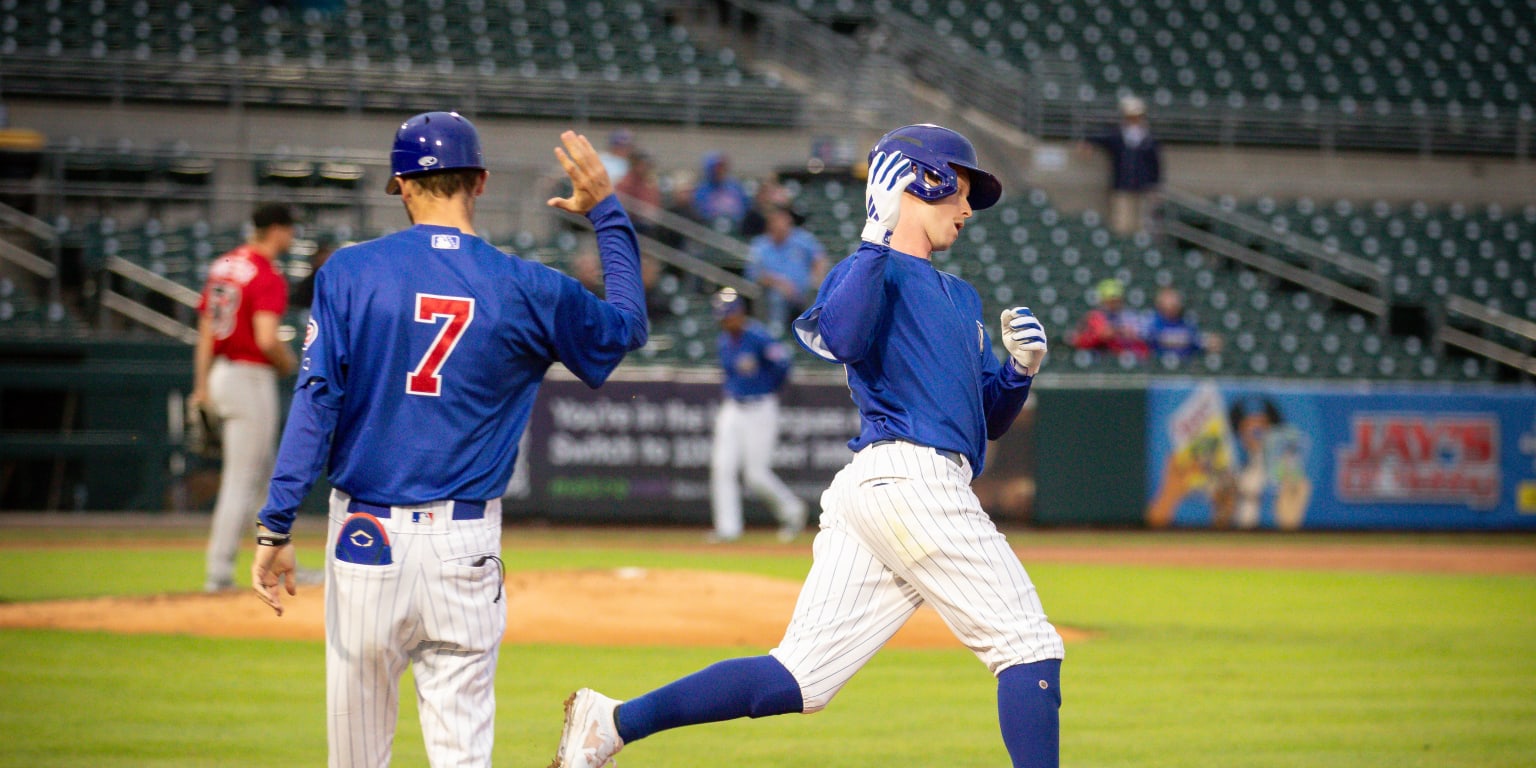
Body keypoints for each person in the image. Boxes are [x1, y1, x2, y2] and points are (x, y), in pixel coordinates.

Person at [547, 124, 1064, 768]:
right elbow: (843, 337)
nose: (966, 209)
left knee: (801, 677)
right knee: (1027, 645)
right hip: (911, 478)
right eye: (957, 190)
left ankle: (613, 724)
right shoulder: (864, 270)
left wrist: (1018, 371)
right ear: (914, 181)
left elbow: (986, 417)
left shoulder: (961, 296)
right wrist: (876, 237)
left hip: (892, 488)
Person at [249, 112, 648, 767]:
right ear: (481, 182)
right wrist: (605, 211)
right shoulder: (529, 287)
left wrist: (275, 525)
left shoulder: (348, 273)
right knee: (463, 757)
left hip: (364, 538)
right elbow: (628, 326)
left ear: (403, 185)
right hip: (465, 546)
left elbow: (316, 401)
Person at [190, 202, 298, 593]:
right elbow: (267, 338)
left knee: (262, 479)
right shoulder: (266, 272)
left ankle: (278, 565)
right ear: (276, 230)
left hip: (221, 372)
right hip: (249, 376)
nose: (291, 236)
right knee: (244, 480)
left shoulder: (224, 265)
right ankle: (218, 573)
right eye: (289, 229)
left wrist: (201, 386)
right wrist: (290, 363)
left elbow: (205, 331)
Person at [707, 287, 807, 543]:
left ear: (740, 313)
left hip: (760, 406)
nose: (726, 320)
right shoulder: (723, 341)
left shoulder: (758, 336)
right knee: (722, 467)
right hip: (733, 407)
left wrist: (769, 388)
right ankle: (728, 529)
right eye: (723, 316)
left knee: (755, 475)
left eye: (729, 315)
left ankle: (792, 510)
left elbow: (783, 364)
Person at [1081, 95, 1163, 235]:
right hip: (1122, 186)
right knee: (1121, 224)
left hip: (1142, 188)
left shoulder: (1148, 139)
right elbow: (1100, 138)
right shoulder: (1118, 136)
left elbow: (1155, 164)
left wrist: (1155, 186)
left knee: (1142, 226)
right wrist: (1089, 144)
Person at [746, 202, 828, 335]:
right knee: (776, 297)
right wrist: (779, 283)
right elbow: (754, 274)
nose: (782, 224)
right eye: (777, 220)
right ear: (770, 223)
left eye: (784, 220)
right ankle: (776, 335)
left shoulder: (801, 239)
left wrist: (816, 277)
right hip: (775, 293)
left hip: (803, 290)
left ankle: (813, 333)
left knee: (816, 293)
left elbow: (820, 258)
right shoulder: (760, 245)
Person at [1070, 277, 1148, 359]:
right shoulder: (1094, 316)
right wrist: (1119, 331)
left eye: (1117, 300)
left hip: (1123, 354)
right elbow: (1104, 334)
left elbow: (1137, 334)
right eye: (1110, 301)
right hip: (1100, 354)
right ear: (1103, 301)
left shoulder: (1128, 315)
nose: (1114, 304)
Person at [1146, 286, 1218, 360]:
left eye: (1174, 301)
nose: (1171, 304)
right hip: (1158, 364)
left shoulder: (1188, 321)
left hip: (1186, 366)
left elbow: (1199, 339)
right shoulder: (1152, 320)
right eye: (1168, 301)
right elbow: (1150, 337)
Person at [691, 151, 751, 228]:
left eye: (723, 167)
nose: (721, 171)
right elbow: (699, 212)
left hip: (736, 227)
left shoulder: (735, 186)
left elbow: (745, 208)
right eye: (717, 168)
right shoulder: (701, 190)